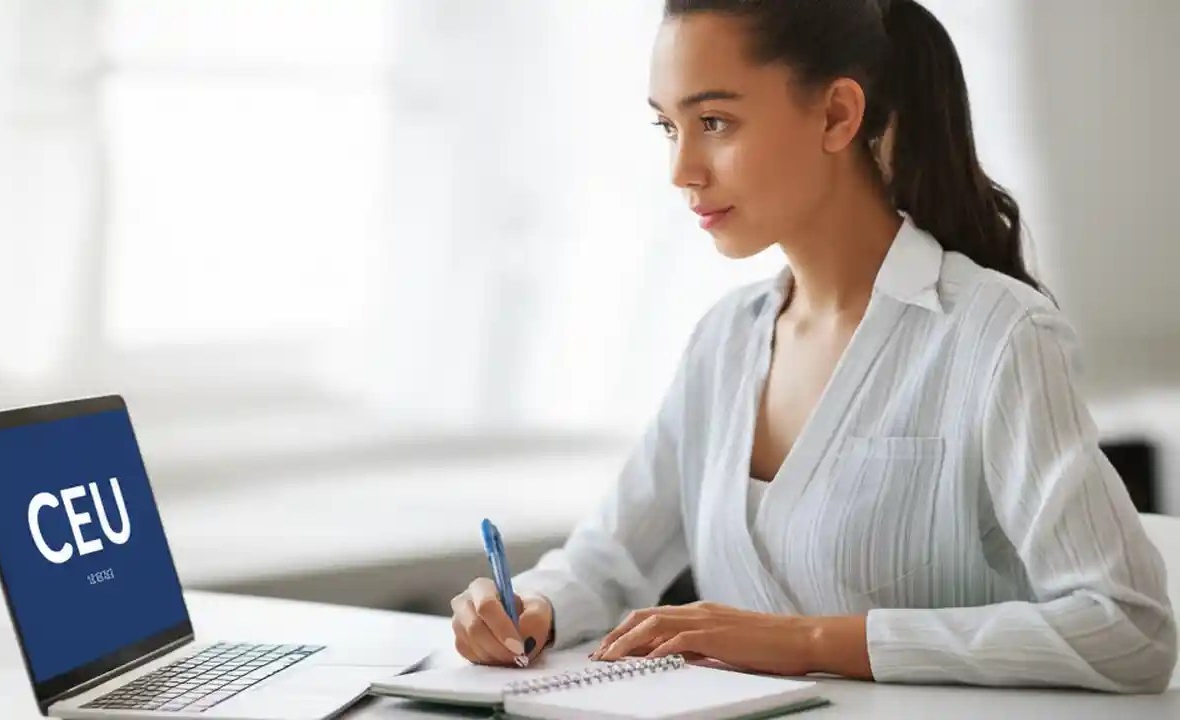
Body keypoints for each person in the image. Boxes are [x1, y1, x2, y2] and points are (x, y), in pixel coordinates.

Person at [449, 0, 1177, 693]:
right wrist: (531, 606)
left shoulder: (999, 338)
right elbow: (608, 561)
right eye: (668, 128)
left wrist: (811, 642)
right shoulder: (725, 342)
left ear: (836, 114)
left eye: (714, 121)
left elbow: (1130, 628)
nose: (682, 171)